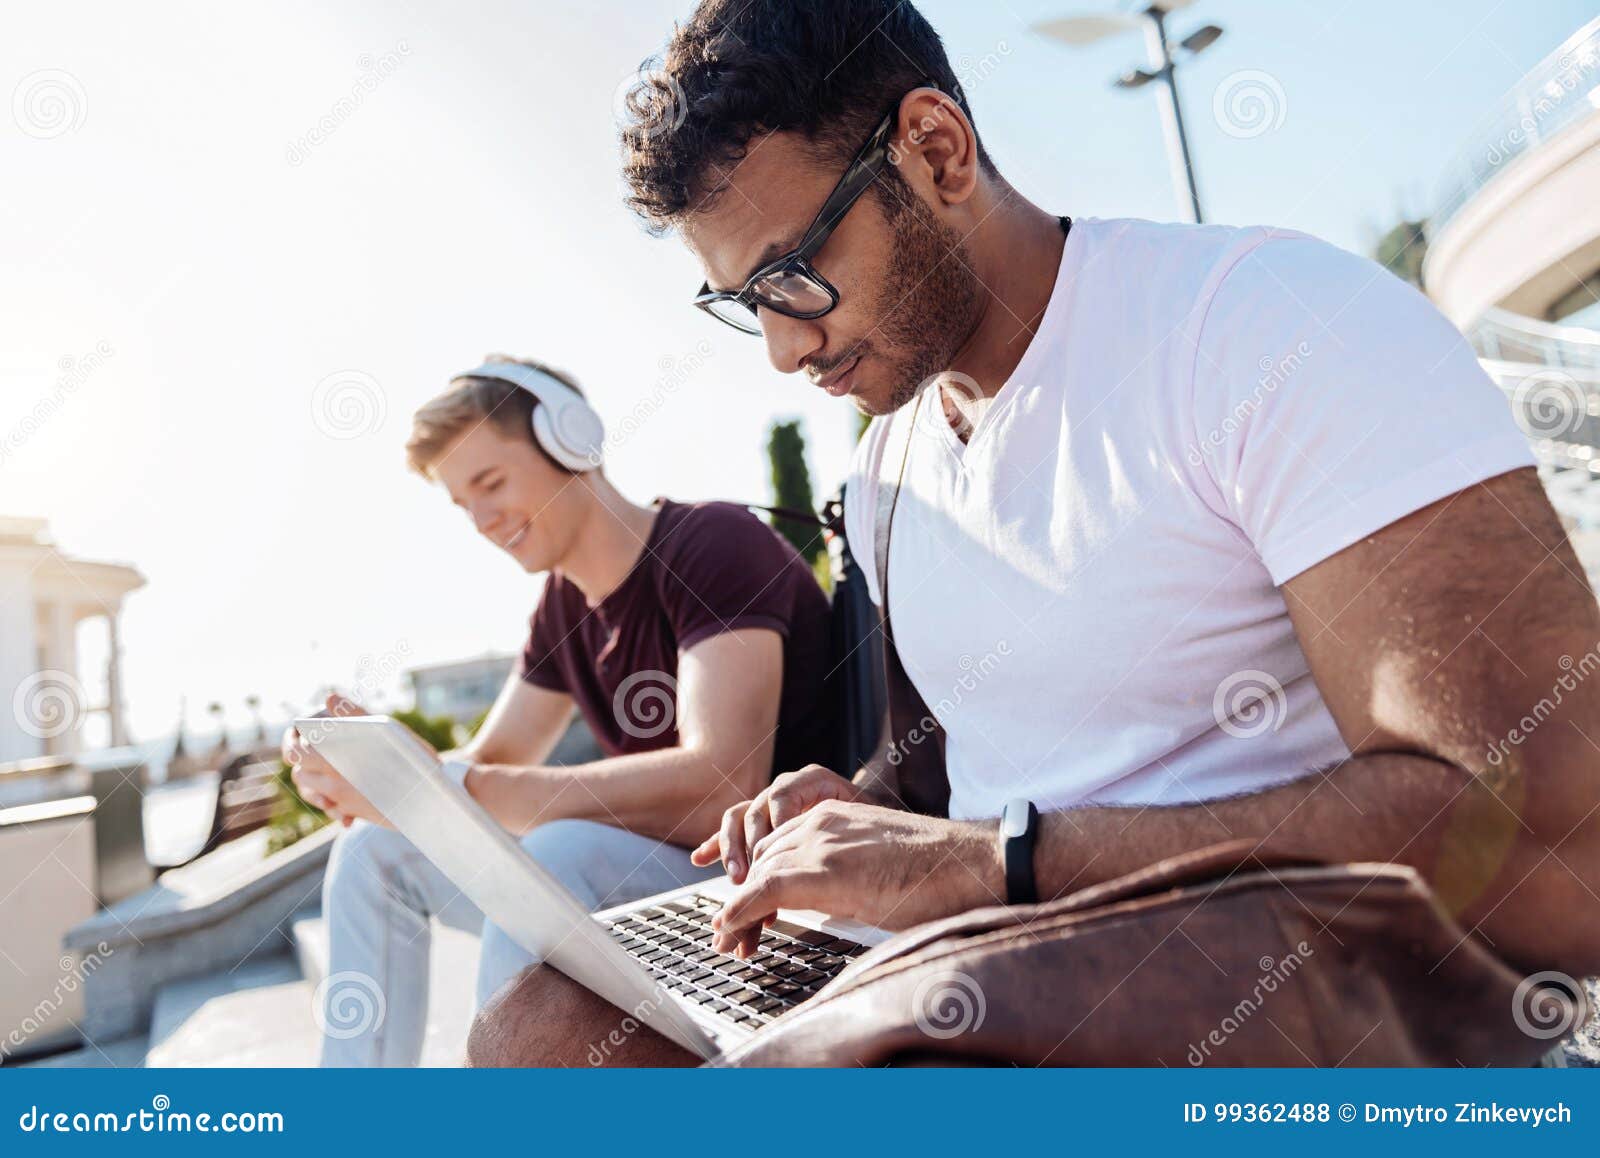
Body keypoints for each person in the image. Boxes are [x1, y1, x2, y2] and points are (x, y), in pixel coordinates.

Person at [467, 0, 1600, 1066]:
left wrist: (1000, 861)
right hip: (983, 958)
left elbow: (1550, 845)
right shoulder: (890, 465)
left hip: (1295, 983)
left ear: (936, 151)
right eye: (742, 304)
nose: (779, 348)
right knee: (541, 1033)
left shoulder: (1266, 328)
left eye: (791, 276)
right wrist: (853, 810)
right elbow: (938, 785)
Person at [284, 355, 835, 1066]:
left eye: (491, 483)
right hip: (656, 885)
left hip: (765, 880)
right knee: (372, 849)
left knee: (556, 852)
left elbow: (719, 788)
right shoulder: (562, 609)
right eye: (463, 504)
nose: (482, 520)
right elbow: (487, 764)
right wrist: (381, 775)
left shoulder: (711, 544)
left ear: (574, 441)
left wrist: (451, 787)